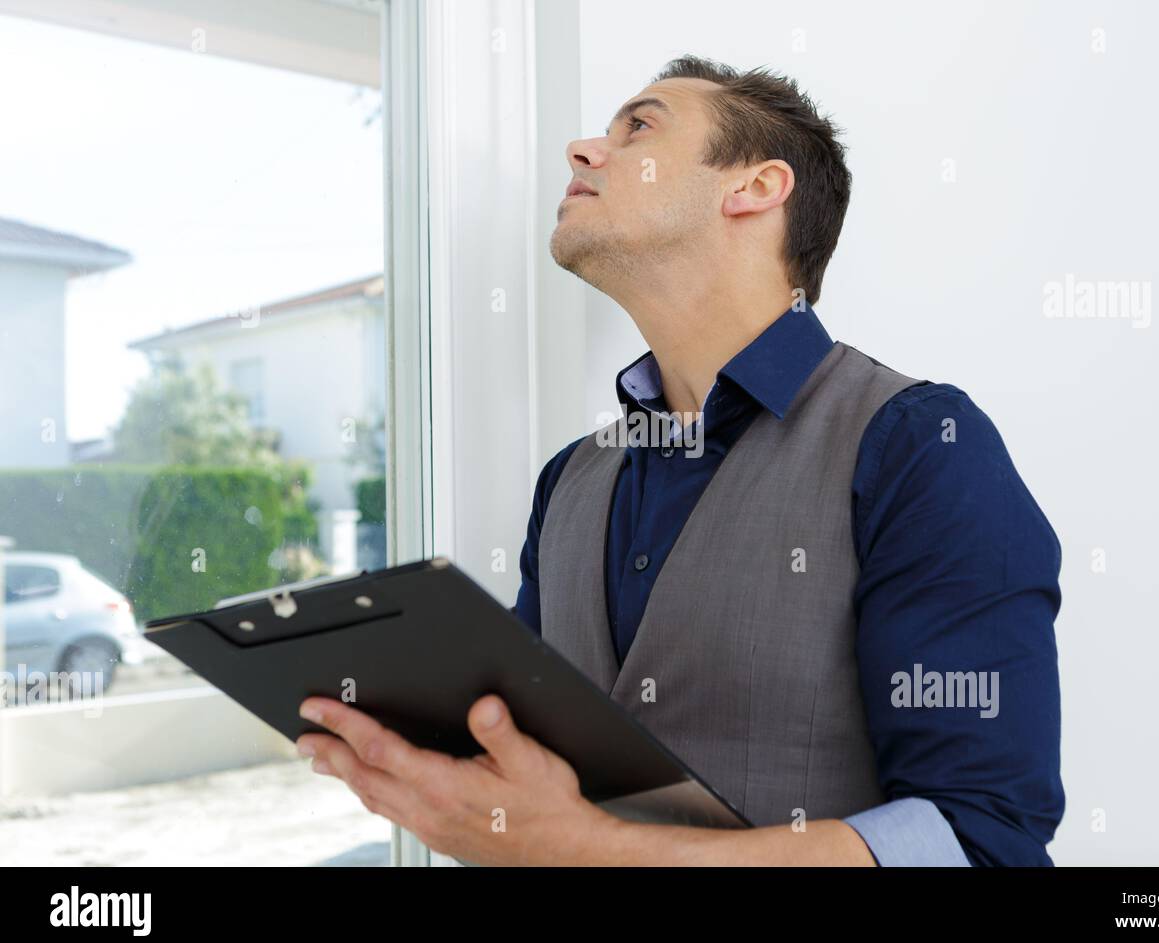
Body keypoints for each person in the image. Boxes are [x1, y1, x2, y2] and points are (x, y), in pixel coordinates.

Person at [297, 54, 1065, 866]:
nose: (584, 151)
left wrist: (589, 850)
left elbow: (978, 840)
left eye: (639, 128)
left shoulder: (920, 446)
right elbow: (522, 778)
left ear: (756, 188)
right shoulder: (570, 481)